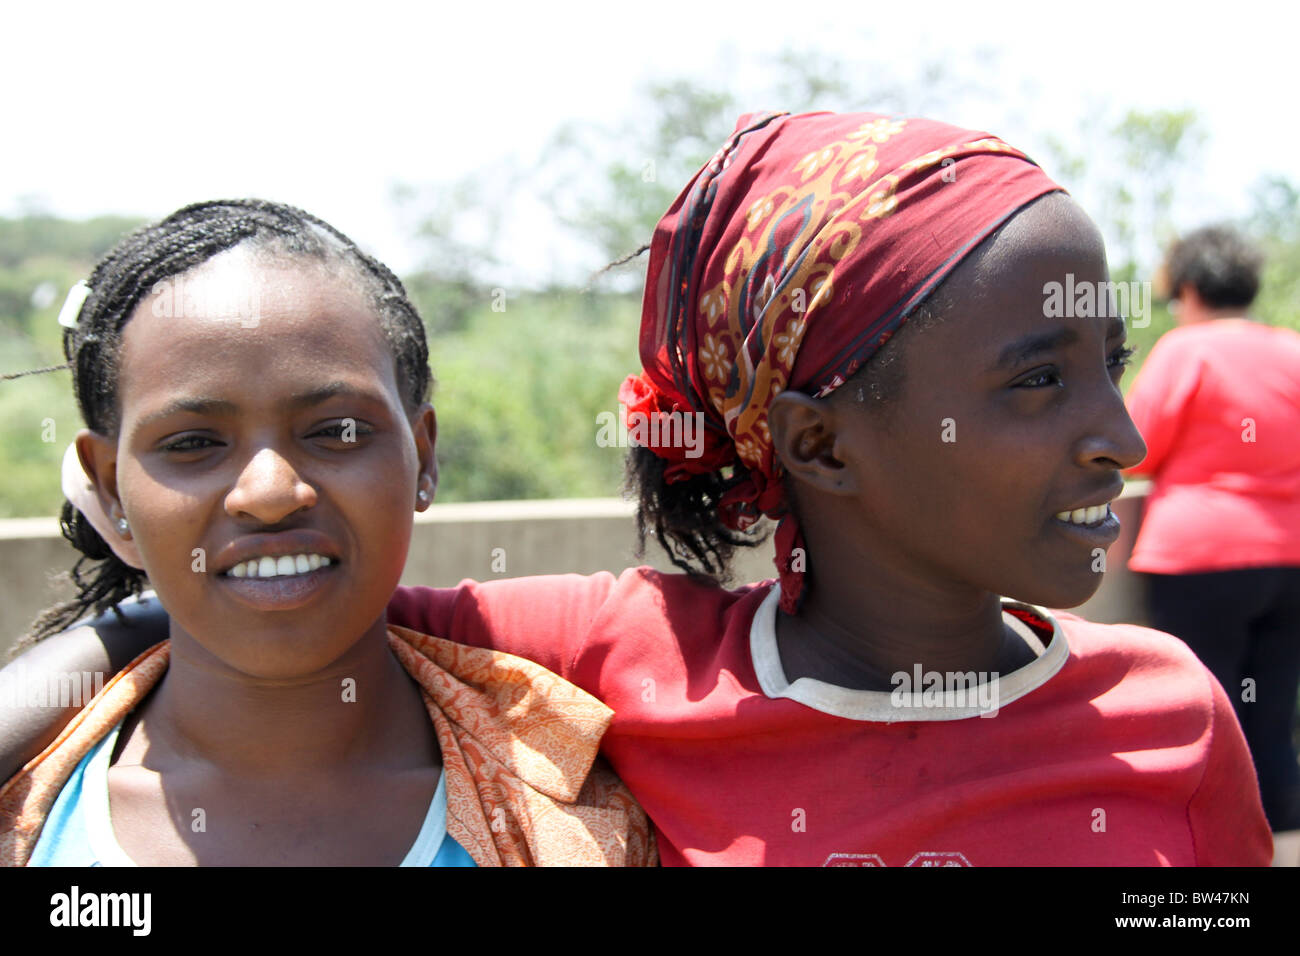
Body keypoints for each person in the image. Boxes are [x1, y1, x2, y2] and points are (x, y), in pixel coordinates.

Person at [1, 114, 1273, 865]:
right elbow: (284, 586)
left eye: (1110, 369)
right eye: (1038, 382)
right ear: (819, 447)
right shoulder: (637, 659)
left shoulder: (1171, 716)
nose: (1120, 439)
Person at [0, 200, 654, 867]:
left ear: (423, 458)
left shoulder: (572, 819)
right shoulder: (28, 818)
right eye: (194, 442)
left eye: (337, 431)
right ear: (110, 491)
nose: (270, 494)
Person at [1123, 225, 1300, 832]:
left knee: (1197, 714)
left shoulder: (1185, 350)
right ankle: (1274, 844)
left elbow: (1135, 450)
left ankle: (1204, 860)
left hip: (1201, 561)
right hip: (1290, 559)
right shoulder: (1292, 349)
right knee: (1270, 718)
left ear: (1192, 289)